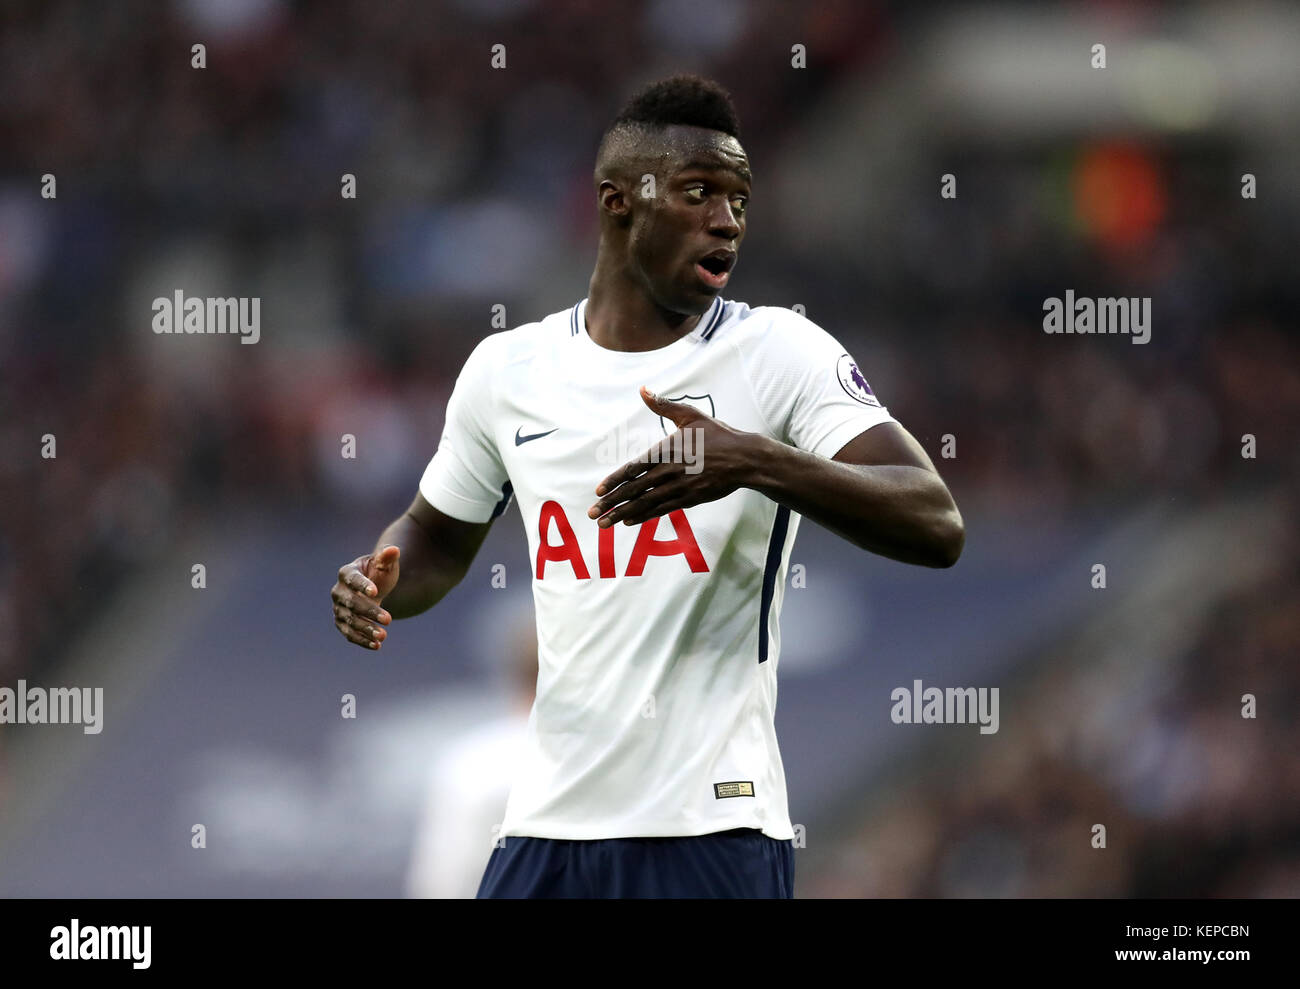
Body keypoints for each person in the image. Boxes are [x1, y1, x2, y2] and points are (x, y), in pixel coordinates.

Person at [330, 73, 963, 898]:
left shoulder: (779, 353)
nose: (727, 218)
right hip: (545, 828)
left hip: (707, 831)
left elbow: (935, 519)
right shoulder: (507, 370)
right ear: (618, 201)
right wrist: (378, 578)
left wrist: (756, 461)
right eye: (700, 191)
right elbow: (435, 538)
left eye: (739, 197)